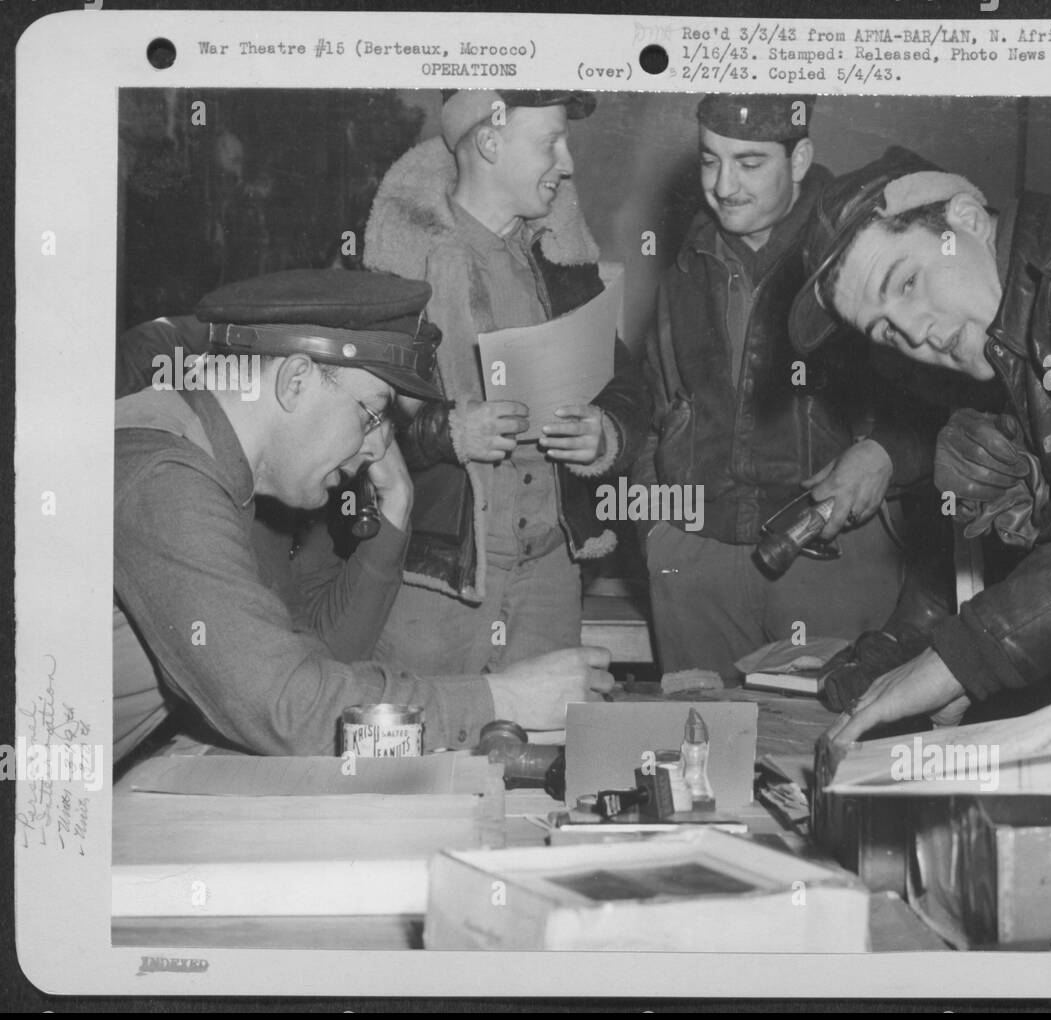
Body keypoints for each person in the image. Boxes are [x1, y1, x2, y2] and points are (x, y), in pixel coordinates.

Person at [113, 268, 613, 763]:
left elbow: (315, 664)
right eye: (371, 414)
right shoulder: (168, 478)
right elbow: (291, 711)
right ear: (295, 381)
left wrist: (395, 509)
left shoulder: (227, 474)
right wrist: (504, 701)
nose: (374, 445)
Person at [786, 148, 1051, 741]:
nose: (912, 331)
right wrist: (1049, 516)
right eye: (883, 329)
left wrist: (963, 657)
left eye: (906, 281)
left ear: (968, 220)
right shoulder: (1018, 340)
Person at [363, 90, 647, 676]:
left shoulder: (563, 264)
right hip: (435, 582)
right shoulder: (394, 270)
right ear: (490, 142)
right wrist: (447, 431)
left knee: (540, 758)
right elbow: (349, 421)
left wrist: (605, 434)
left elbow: (627, 386)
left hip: (550, 578)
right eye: (551, 142)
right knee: (428, 754)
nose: (567, 163)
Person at [632, 94, 915, 681]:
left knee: (827, 746)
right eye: (710, 161)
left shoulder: (864, 249)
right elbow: (654, 400)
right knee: (699, 749)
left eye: (750, 163)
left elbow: (948, 397)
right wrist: (658, 535)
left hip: (829, 554)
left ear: (801, 157)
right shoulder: (686, 258)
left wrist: (886, 452)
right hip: (696, 555)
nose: (724, 186)